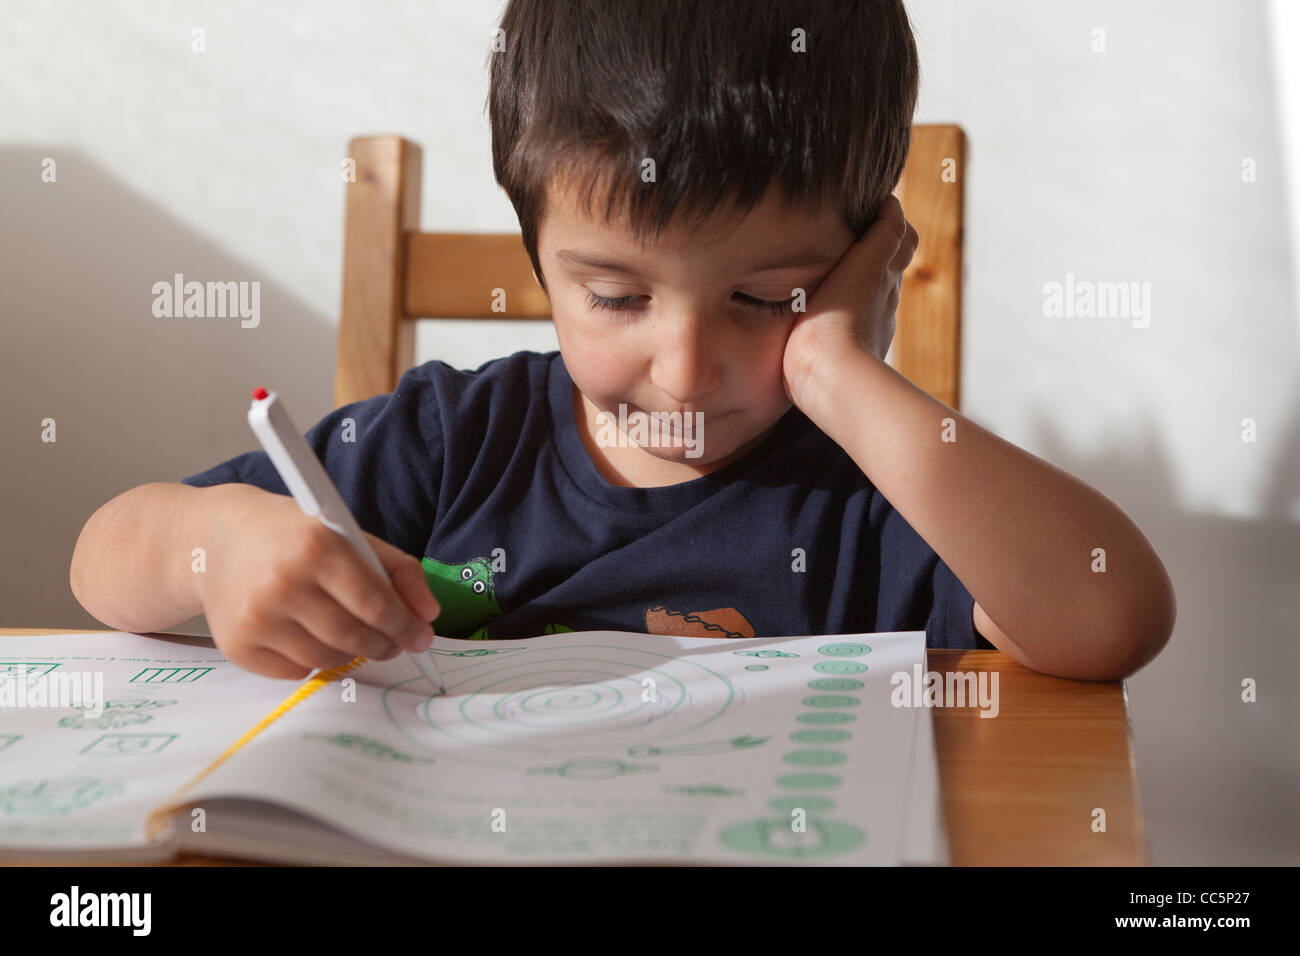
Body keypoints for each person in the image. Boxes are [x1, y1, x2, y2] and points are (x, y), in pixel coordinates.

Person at [70, 0, 1175, 682]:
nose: (685, 366)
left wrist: (842, 372)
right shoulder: (450, 439)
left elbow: (1109, 615)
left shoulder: (874, 496)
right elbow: (102, 559)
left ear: (860, 268)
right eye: (614, 297)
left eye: (764, 296)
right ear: (538, 263)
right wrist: (218, 545)